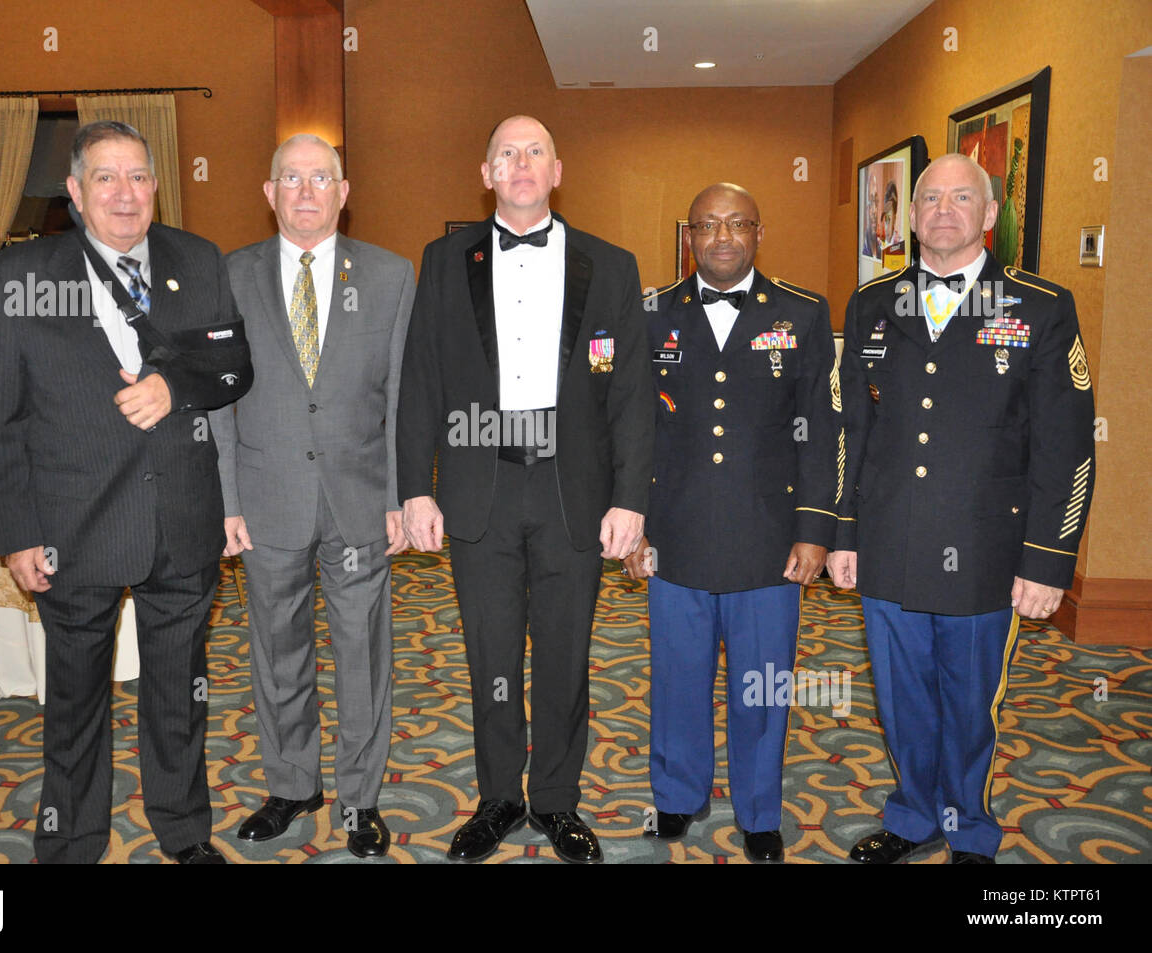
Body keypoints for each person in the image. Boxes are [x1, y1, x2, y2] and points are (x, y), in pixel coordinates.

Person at [0, 120, 252, 864]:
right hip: (74, 526)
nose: (125, 194)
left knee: (179, 691)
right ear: (74, 191)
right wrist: (17, 533)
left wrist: (173, 384)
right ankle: (70, 840)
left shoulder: (197, 259)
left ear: (156, 186)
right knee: (73, 703)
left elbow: (233, 369)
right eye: (106, 177)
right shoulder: (16, 278)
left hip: (181, 518)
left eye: (138, 176)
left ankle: (185, 829)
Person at [398, 115, 654, 864]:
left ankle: (557, 797)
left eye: (533, 151)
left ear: (557, 168)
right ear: (486, 175)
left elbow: (631, 394)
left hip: (574, 489)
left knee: (566, 652)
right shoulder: (444, 260)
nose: (519, 164)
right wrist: (417, 488)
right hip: (481, 484)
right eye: (505, 153)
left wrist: (630, 498)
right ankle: (499, 795)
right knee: (492, 654)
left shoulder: (611, 265)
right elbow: (421, 381)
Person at [827, 153, 1096, 864]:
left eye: (960, 198)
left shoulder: (1040, 306)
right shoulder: (872, 304)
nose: (943, 210)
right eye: (929, 199)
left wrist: (1048, 559)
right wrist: (842, 533)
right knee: (902, 699)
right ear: (911, 217)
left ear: (988, 216)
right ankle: (914, 813)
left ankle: (967, 824)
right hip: (889, 544)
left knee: (970, 703)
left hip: (987, 550)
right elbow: (850, 430)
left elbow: (1066, 447)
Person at [209, 134, 414, 858]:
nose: (304, 191)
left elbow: (401, 402)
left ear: (343, 190)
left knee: (361, 653)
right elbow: (218, 401)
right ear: (269, 192)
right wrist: (227, 500)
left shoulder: (391, 277)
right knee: (278, 651)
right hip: (265, 501)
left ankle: (361, 798)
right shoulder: (228, 276)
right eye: (289, 178)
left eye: (319, 178)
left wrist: (398, 494)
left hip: (359, 500)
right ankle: (293, 783)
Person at [624, 184, 837, 862]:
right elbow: (630, 429)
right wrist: (635, 528)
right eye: (708, 224)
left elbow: (822, 428)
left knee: (762, 683)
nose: (722, 236)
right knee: (678, 678)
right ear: (689, 235)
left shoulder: (802, 313)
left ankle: (759, 809)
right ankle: (679, 796)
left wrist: (814, 528)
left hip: (770, 540)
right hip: (675, 532)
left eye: (737, 223)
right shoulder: (651, 311)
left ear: (758, 231)